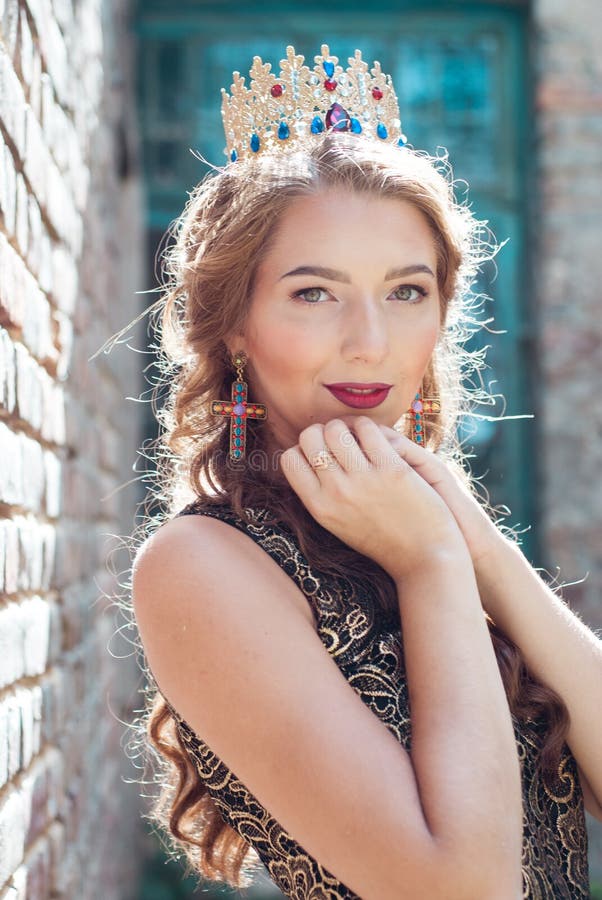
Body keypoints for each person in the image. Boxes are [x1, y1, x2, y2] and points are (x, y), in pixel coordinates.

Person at [130, 44, 601, 899]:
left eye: (407, 291)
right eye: (314, 292)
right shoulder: (200, 565)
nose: (370, 341)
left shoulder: (426, 518)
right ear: (234, 326)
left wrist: (480, 549)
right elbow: (469, 889)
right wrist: (431, 567)